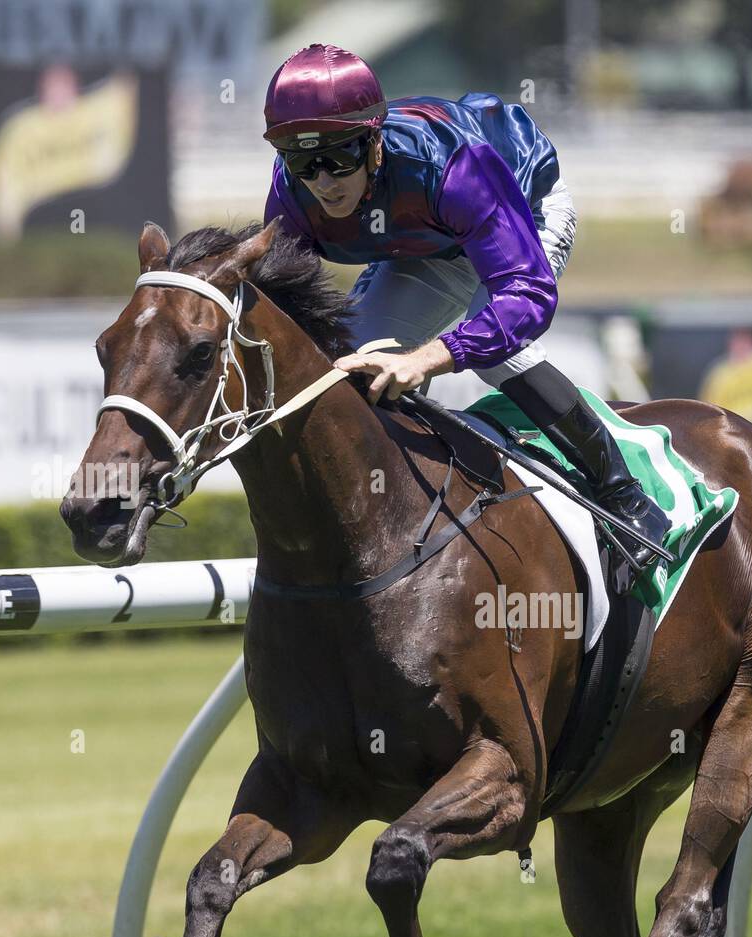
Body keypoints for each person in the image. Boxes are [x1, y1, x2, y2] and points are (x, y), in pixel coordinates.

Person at [262, 43, 671, 572]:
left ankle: (624, 496)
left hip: (520, 213)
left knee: (497, 352)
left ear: (374, 143)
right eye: (300, 160)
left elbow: (527, 298)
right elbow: (278, 306)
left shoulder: (455, 167)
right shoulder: (290, 195)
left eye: (338, 156)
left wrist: (430, 358)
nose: (321, 181)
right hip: (422, 245)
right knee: (357, 363)